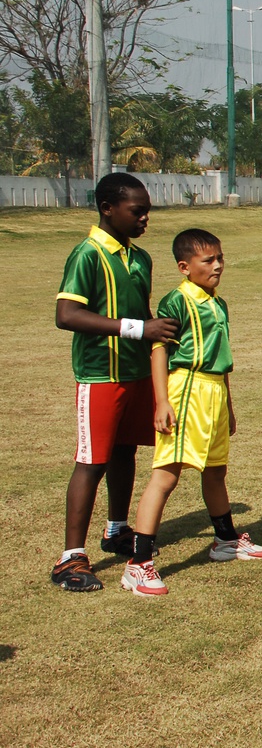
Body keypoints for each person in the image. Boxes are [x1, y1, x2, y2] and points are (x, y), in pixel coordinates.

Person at [120, 228, 262, 597]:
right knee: (167, 476)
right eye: (209, 260)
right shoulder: (177, 301)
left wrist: (229, 407)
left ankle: (225, 540)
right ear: (185, 266)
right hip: (186, 389)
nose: (218, 265)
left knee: (216, 471)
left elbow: (222, 362)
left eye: (220, 258)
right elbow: (159, 351)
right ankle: (138, 564)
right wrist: (161, 401)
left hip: (214, 392)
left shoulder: (218, 303)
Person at [51, 173, 179, 592]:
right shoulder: (87, 254)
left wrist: (155, 337)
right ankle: (71, 558)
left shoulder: (139, 257)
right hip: (100, 375)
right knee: (92, 461)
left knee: (126, 452)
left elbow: (143, 314)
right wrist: (137, 330)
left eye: (147, 211)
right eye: (137, 211)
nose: (145, 219)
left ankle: (116, 530)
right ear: (108, 208)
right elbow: (67, 315)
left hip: (136, 372)